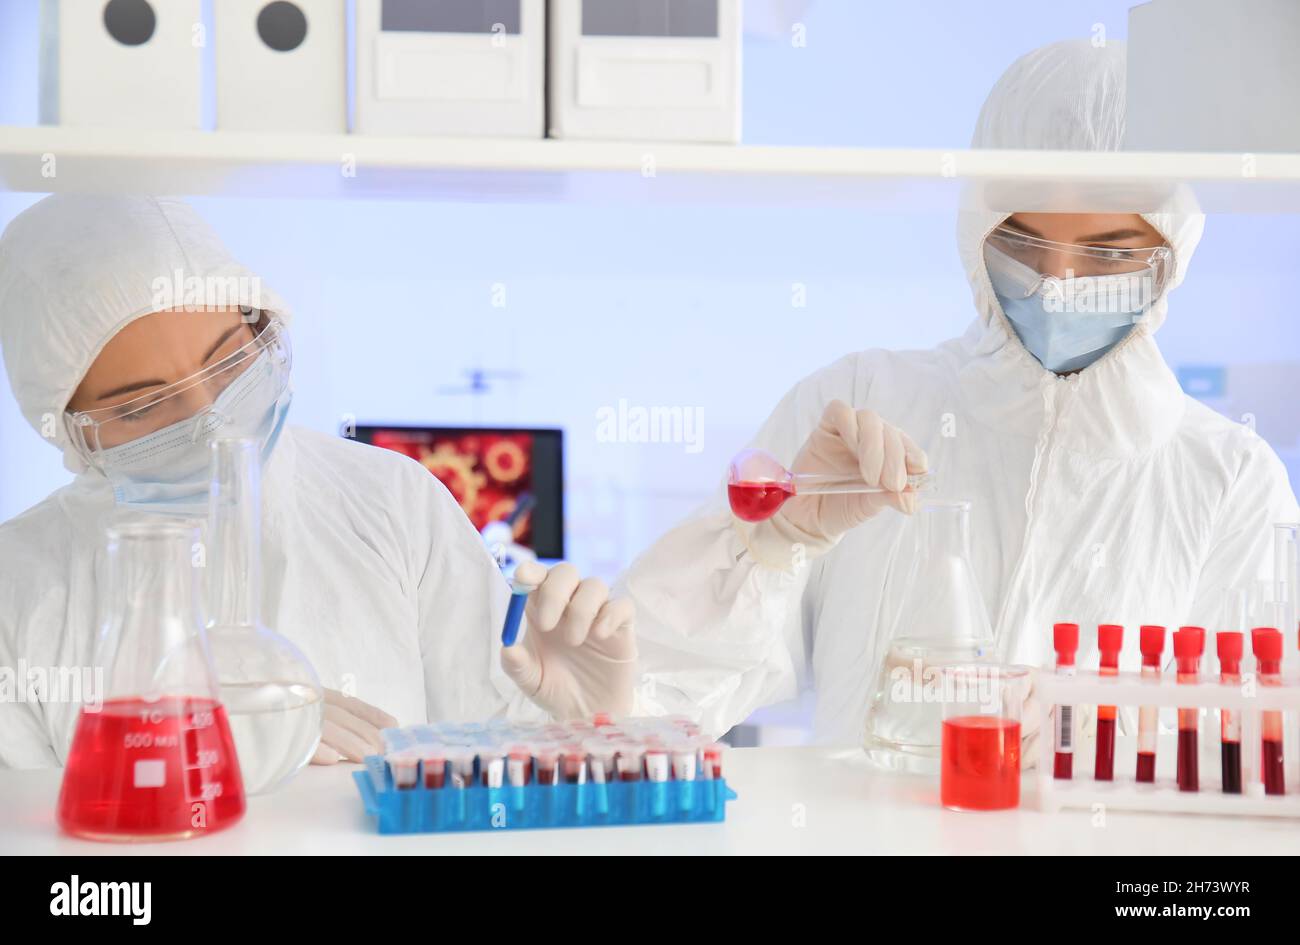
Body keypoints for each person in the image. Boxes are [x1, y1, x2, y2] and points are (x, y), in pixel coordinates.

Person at [617, 39, 1300, 743]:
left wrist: (1097, 739)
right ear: (977, 230)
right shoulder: (861, 405)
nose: (1058, 283)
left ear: (1170, 255)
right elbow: (646, 703)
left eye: (1109, 252)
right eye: (1026, 245)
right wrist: (775, 545)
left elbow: (1254, 766)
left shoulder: (1230, 483)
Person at [0, 195, 636, 768]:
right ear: (70, 432)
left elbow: (490, 772)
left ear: (260, 326)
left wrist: (580, 732)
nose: (212, 419)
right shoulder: (16, 587)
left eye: (227, 359)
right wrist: (184, 758)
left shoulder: (393, 502)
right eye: (143, 406)